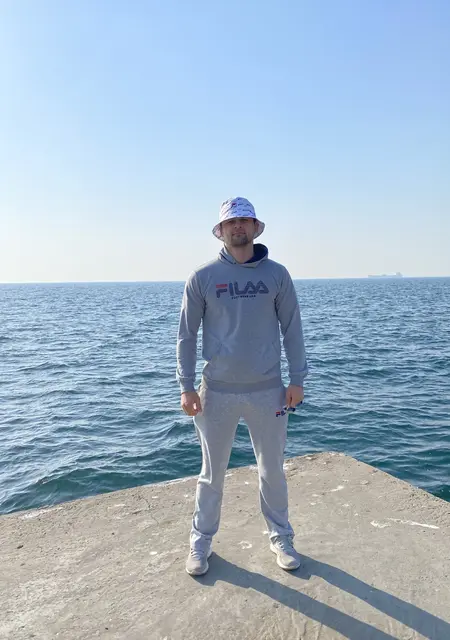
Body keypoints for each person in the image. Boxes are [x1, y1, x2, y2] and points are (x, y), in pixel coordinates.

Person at [176, 196, 308, 576]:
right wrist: (186, 386)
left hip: (269, 390)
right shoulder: (202, 278)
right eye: (231, 222)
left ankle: (281, 537)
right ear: (220, 231)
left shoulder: (277, 275)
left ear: (255, 227)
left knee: (272, 470)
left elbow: (292, 329)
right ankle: (200, 543)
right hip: (215, 392)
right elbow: (187, 335)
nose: (238, 227)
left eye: (245, 220)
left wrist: (297, 379)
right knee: (211, 474)